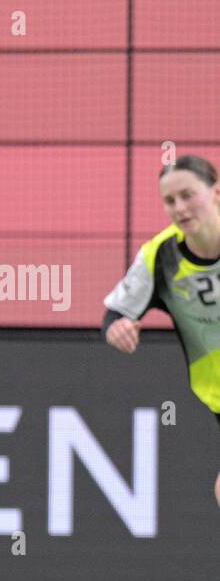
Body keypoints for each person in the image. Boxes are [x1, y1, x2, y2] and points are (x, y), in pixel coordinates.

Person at [104, 154, 220, 507]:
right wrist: (118, 328)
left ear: (216, 192)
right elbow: (114, 314)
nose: (180, 207)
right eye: (170, 201)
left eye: (188, 195)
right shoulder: (160, 257)